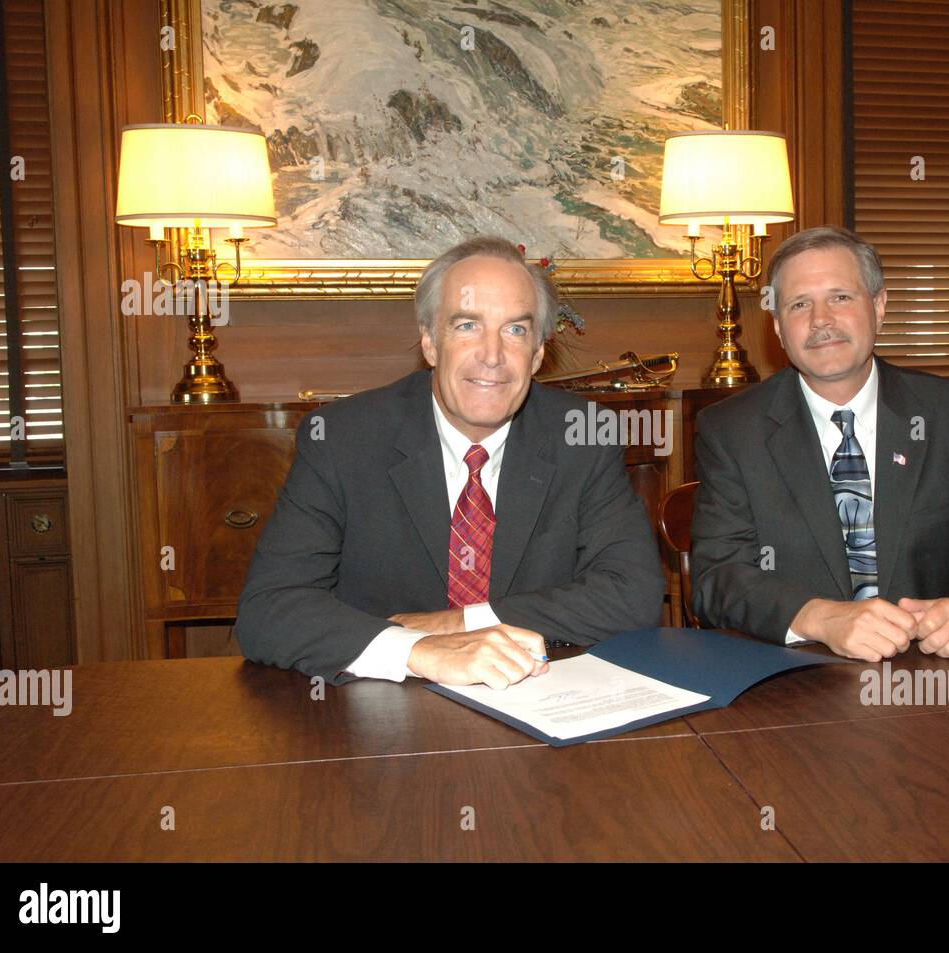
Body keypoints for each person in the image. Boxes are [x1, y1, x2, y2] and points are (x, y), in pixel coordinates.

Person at [236, 236, 665, 688]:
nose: (492, 355)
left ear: (539, 354)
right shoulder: (343, 439)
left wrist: (460, 623)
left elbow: (633, 594)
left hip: (537, 703)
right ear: (430, 343)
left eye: (515, 330)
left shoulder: (584, 437)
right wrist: (419, 650)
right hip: (380, 713)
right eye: (467, 326)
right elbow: (269, 608)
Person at [691, 225, 949, 662]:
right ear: (778, 329)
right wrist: (819, 618)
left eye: (840, 297)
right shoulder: (731, 430)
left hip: (937, 678)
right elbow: (719, 578)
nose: (821, 320)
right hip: (796, 683)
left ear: (879, 306)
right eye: (799, 304)